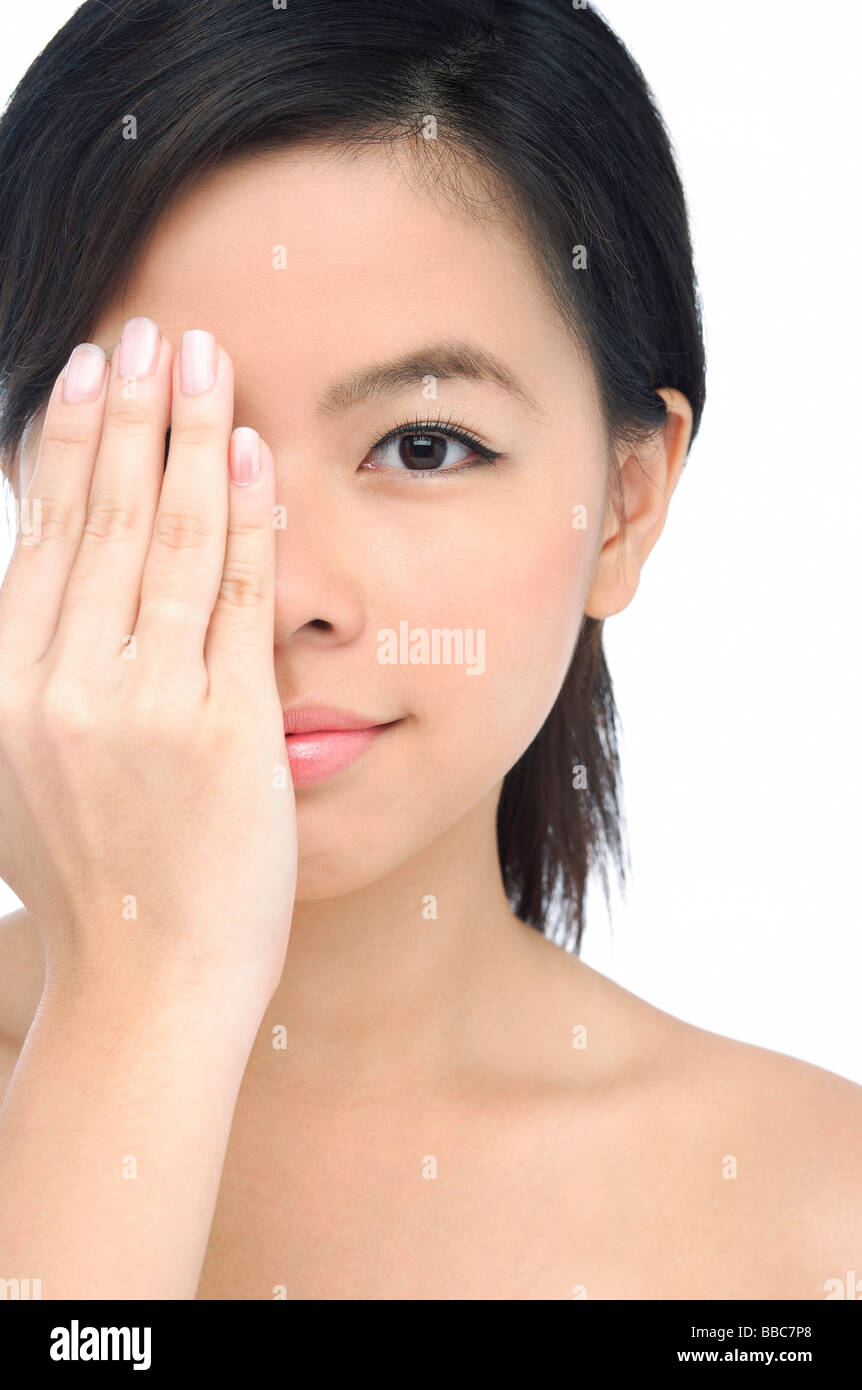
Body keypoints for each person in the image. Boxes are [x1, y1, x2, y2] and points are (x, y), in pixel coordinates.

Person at [0, 0, 858, 1301]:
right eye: (172, 444)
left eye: (422, 444)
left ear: (624, 505)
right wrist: (140, 1001)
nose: (287, 592)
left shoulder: (812, 1222)